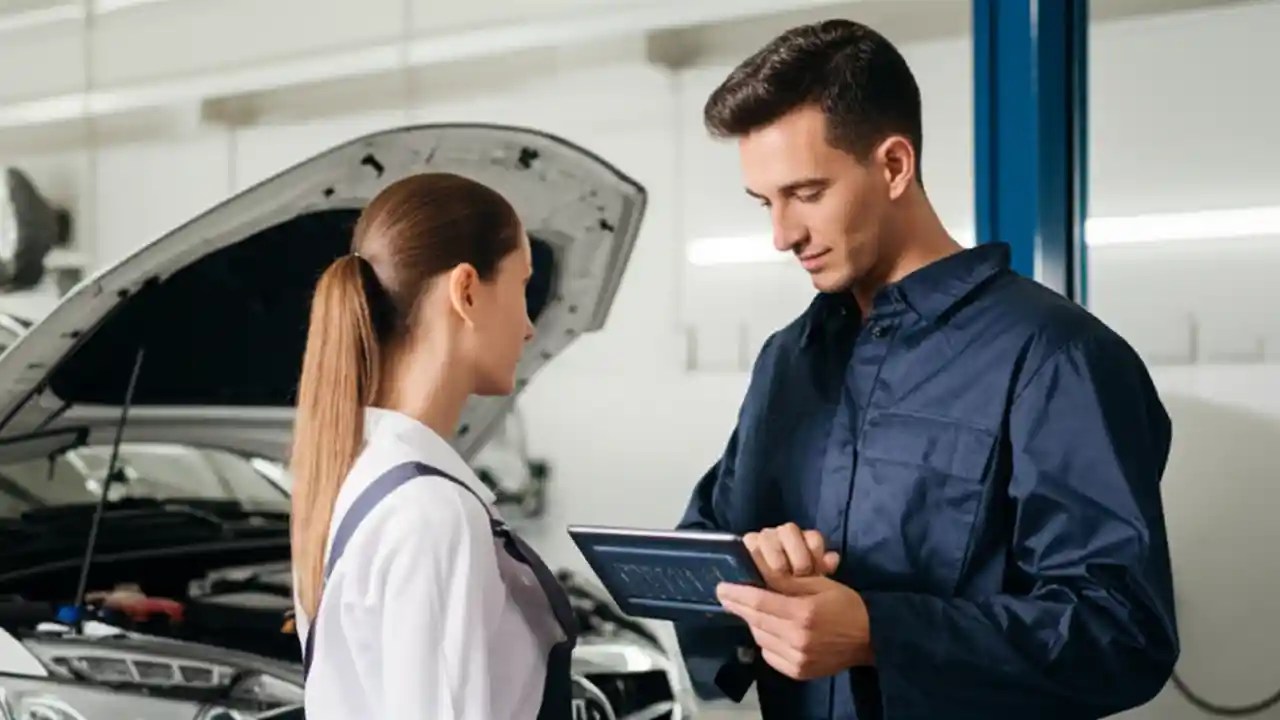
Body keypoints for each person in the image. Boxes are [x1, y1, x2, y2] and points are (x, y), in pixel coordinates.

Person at [674, 19, 1179, 720]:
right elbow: (705, 542)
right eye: (766, 202)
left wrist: (880, 633)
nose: (781, 235)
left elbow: (1122, 633)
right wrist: (755, 568)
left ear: (893, 166)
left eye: (807, 193)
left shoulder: (1054, 358)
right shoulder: (787, 360)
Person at [288, 172, 576, 719]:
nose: (530, 327)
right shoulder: (432, 512)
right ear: (466, 291)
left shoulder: (355, 471)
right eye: (522, 288)